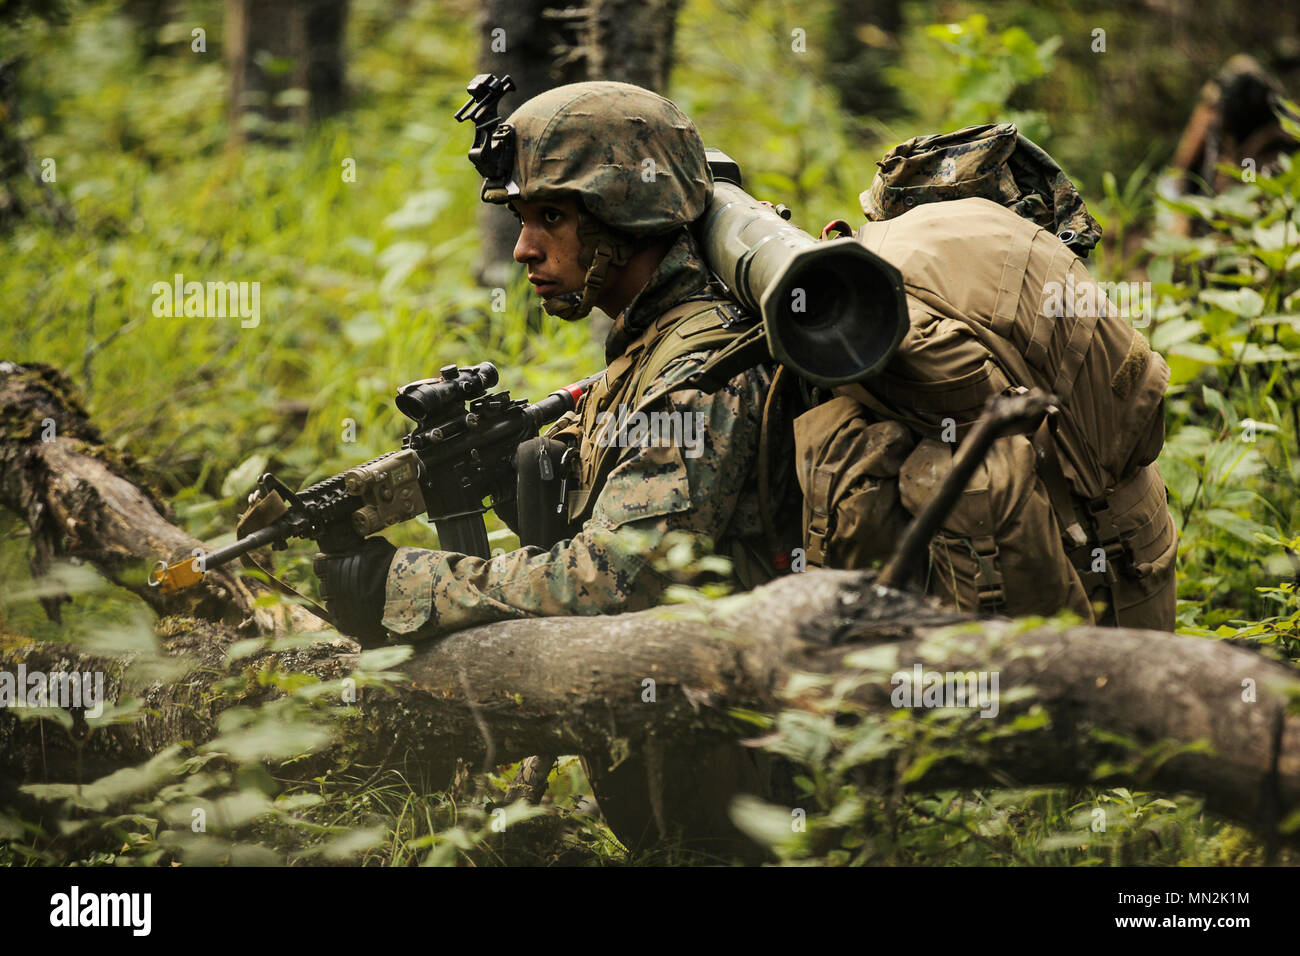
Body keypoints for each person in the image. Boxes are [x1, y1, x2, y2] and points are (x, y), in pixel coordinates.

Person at [313, 80, 801, 856]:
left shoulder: (699, 369)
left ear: (623, 217)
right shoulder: (652, 340)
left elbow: (611, 581)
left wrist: (403, 585)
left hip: (757, 775)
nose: (523, 249)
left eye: (551, 219)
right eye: (520, 220)